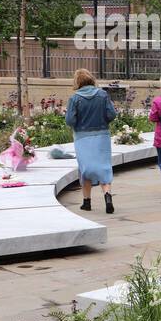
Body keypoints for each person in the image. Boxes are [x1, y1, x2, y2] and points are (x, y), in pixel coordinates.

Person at [64, 68, 117, 213]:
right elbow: (112, 114)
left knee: (85, 169)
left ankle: (87, 202)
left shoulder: (75, 98)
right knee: (104, 166)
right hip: (102, 136)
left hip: (82, 137)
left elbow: (69, 120)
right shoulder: (103, 94)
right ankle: (107, 195)